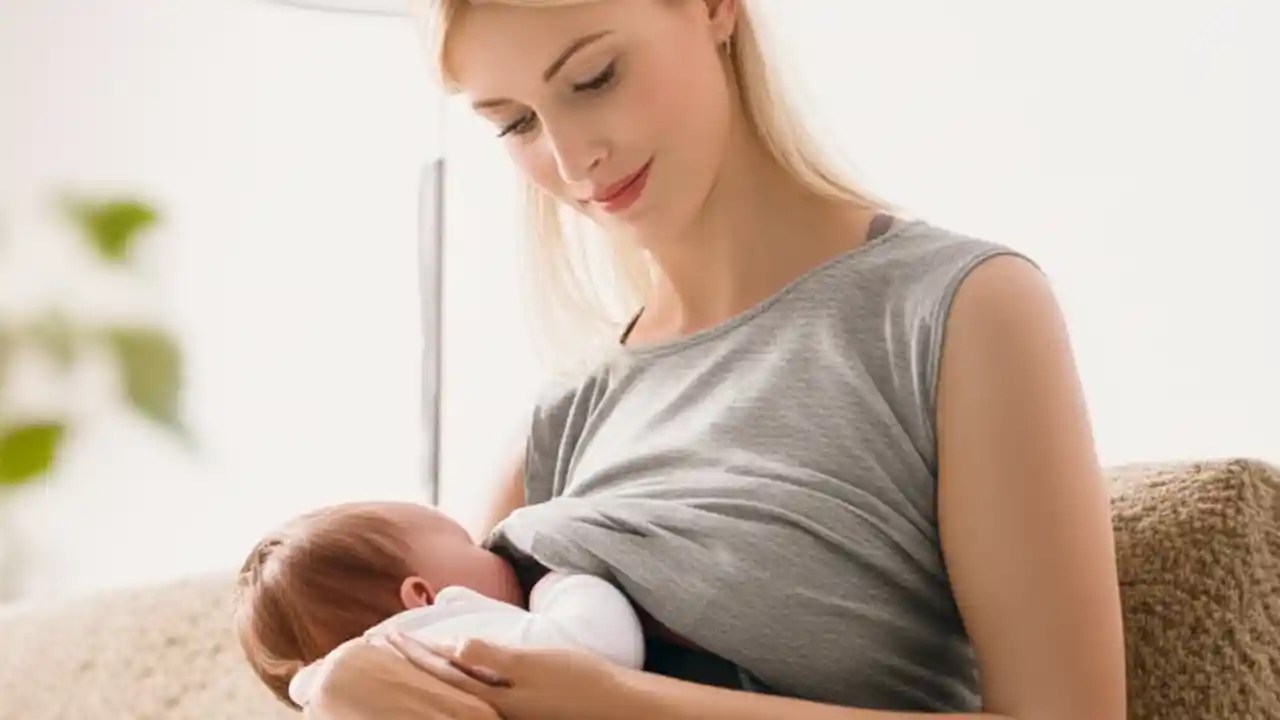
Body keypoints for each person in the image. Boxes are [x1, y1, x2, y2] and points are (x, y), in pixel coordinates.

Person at [301, 0, 1128, 718]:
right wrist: (337, 688)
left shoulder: (957, 309)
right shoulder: (565, 417)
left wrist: (623, 705)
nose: (571, 155)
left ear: (713, 7)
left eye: (594, 77)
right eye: (515, 122)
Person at [232, 502, 644, 710]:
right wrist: (560, 584)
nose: (491, 547)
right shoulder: (447, 636)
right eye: (469, 544)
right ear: (424, 598)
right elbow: (603, 647)